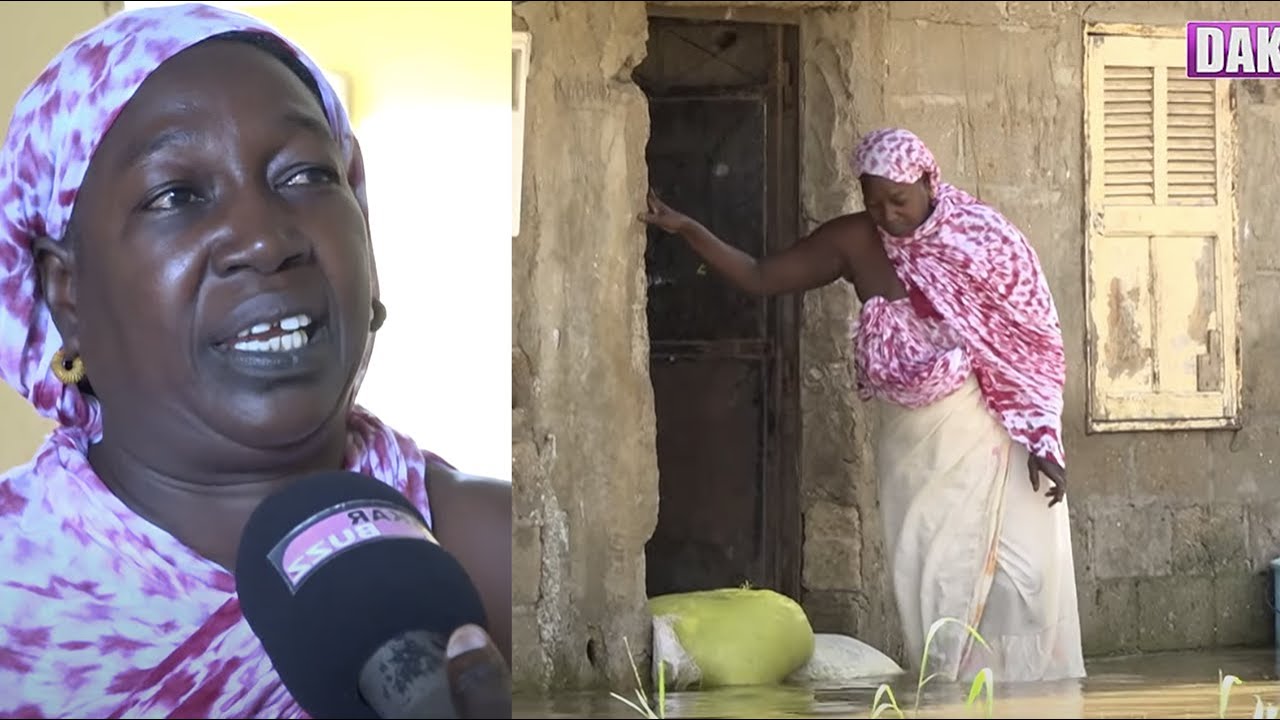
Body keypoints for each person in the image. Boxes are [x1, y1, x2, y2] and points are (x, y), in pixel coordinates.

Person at [0, 4, 511, 717]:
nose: (267, 242)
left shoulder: (506, 555)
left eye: (305, 175)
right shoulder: (15, 589)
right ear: (67, 294)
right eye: (176, 195)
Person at [640, 127, 1086, 684]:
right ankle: (951, 694)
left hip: (996, 430)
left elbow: (1031, 342)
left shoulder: (984, 239)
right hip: (919, 448)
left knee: (1026, 579)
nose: (887, 215)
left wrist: (1043, 436)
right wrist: (687, 229)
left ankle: (1033, 697)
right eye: (874, 203)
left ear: (928, 182)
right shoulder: (854, 240)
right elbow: (760, 276)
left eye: (898, 200)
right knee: (938, 576)